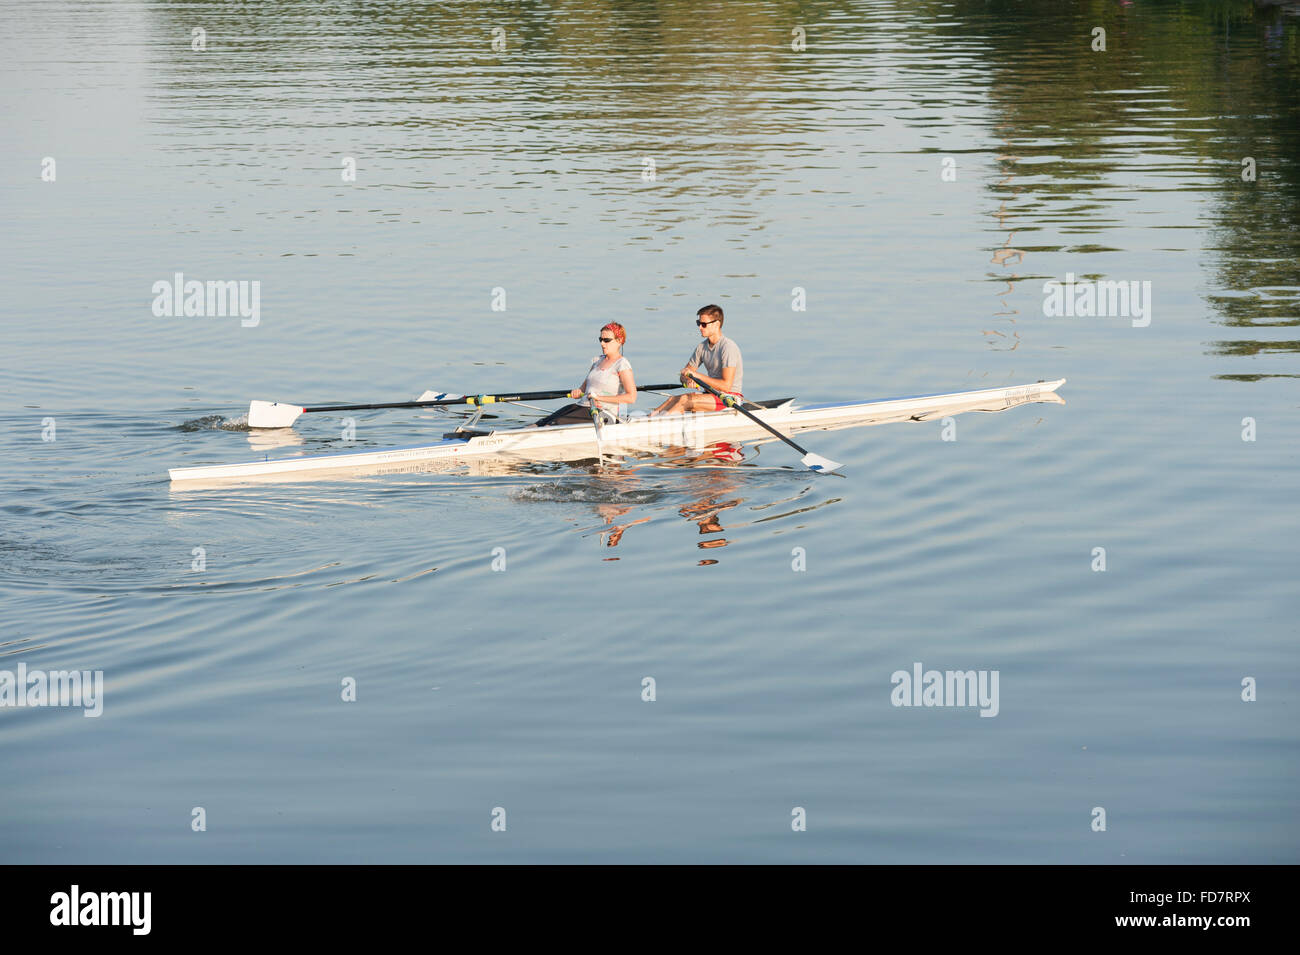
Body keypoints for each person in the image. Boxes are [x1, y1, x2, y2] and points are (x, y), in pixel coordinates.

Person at [534, 323, 637, 426]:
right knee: (541, 423)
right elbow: (583, 389)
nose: (602, 343)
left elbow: (631, 397)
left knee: (553, 424)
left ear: (619, 341)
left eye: (606, 340)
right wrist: (578, 392)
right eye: (600, 339)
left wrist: (599, 398)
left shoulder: (622, 364)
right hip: (582, 406)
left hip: (603, 412)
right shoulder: (597, 361)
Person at [651, 305, 743, 415]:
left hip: (729, 398)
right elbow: (684, 374)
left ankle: (660, 424)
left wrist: (697, 376)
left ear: (717, 324)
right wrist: (687, 380)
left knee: (684, 401)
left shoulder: (728, 347)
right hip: (710, 395)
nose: (700, 327)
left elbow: (726, 386)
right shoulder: (701, 347)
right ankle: (648, 419)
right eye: (698, 323)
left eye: (704, 324)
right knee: (672, 399)